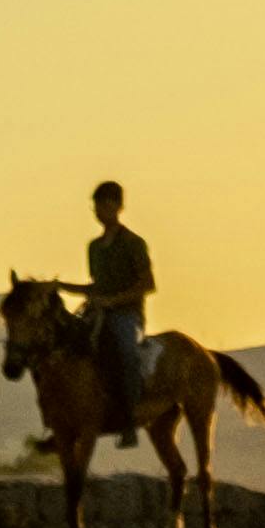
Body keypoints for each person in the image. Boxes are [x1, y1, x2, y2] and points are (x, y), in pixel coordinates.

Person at [81, 180, 157, 433]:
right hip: (98, 312)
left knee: (127, 354)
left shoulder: (133, 243)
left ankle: (129, 419)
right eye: (96, 207)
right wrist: (59, 286)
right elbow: (96, 286)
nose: (99, 211)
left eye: (104, 205)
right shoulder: (93, 247)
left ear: (117, 206)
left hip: (127, 314)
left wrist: (113, 301)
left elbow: (147, 284)